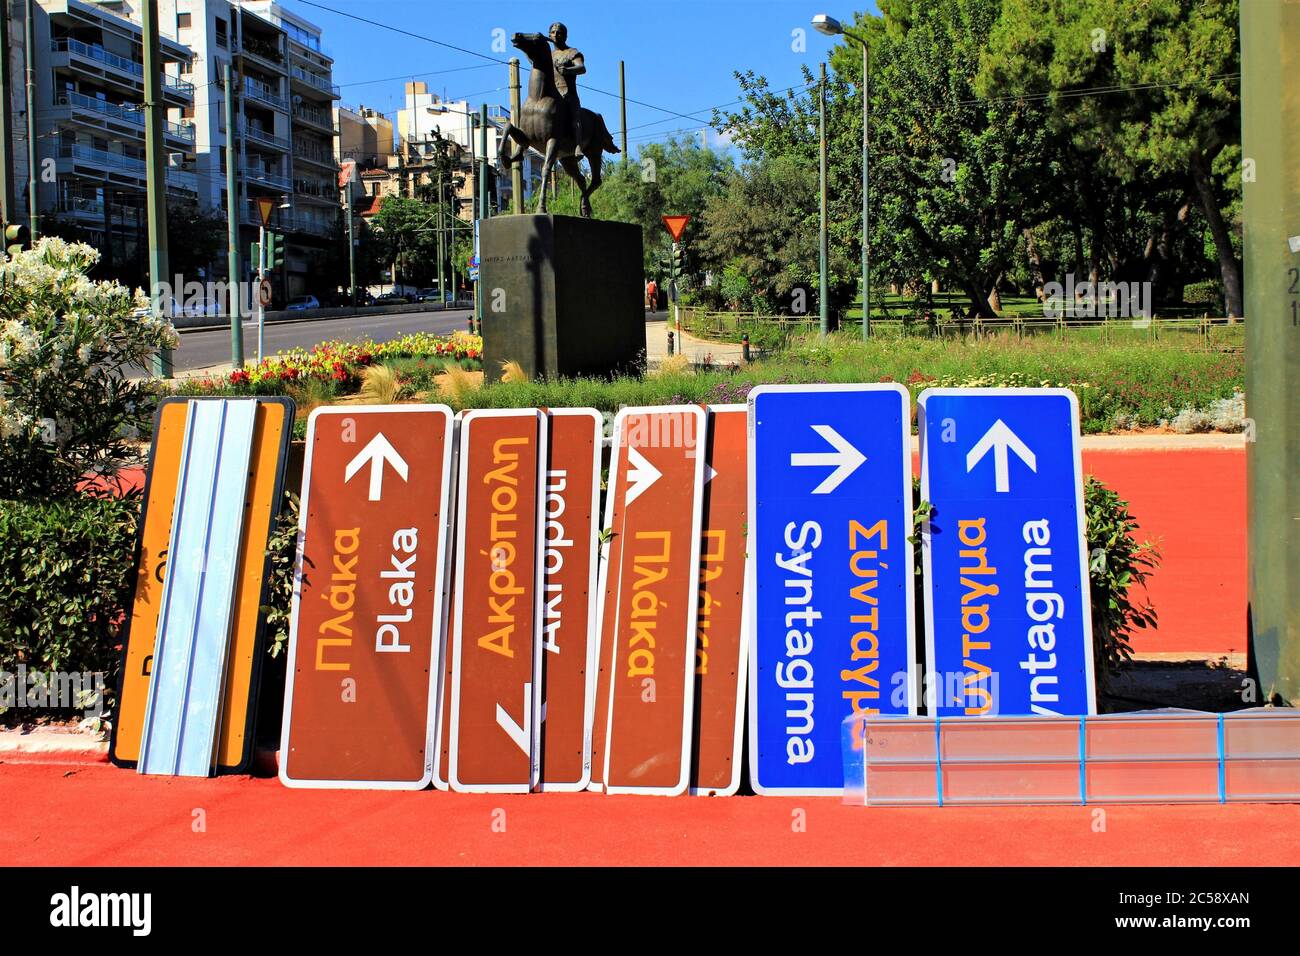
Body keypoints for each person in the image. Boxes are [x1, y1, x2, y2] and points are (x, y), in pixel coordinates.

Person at [548, 22, 587, 156]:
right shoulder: (549, 55)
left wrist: (568, 70)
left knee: (575, 116)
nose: (556, 35)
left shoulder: (572, 52)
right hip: (552, 93)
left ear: (565, 36)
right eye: (553, 32)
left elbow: (582, 68)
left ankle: (578, 146)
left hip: (568, 93)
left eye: (559, 32)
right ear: (549, 35)